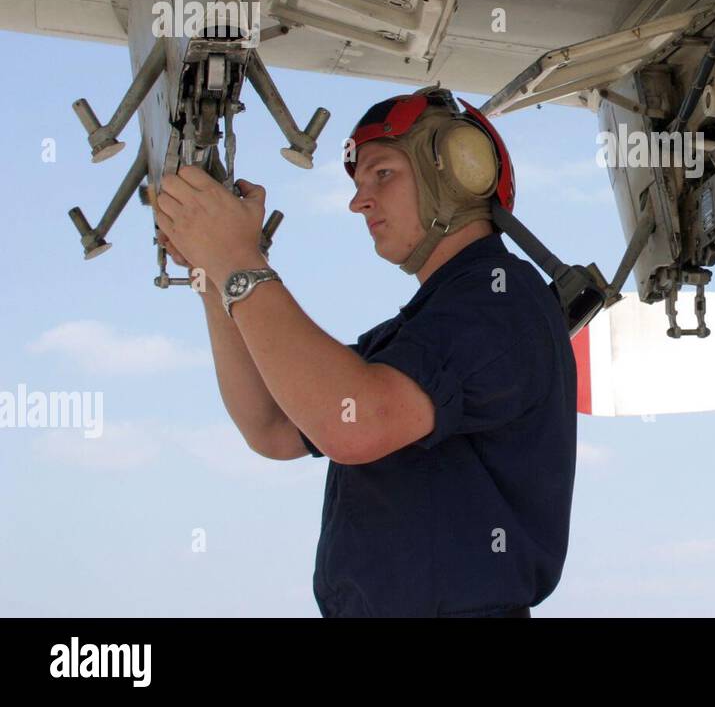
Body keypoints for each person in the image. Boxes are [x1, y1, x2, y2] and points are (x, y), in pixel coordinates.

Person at [154, 86, 577, 618]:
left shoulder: (500, 299)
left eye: (383, 174)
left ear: (461, 172)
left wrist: (240, 261)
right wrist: (218, 276)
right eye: (358, 183)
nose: (358, 201)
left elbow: (352, 424)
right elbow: (272, 426)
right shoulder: (415, 336)